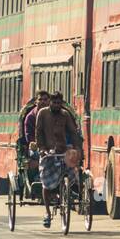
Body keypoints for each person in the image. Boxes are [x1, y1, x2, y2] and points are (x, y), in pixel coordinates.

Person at [32, 91, 83, 228]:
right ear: (50, 103)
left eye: (59, 103)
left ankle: (65, 193)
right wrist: (42, 149)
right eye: (54, 102)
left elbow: (73, 132)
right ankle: (47, 213)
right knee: (46, 183)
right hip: (47, 152)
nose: (56, 105)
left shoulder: (65, 114)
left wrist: (77, 148)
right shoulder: (42, 114)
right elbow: (38, 133)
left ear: (61, 103)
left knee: (72, 172)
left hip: (62, 150)